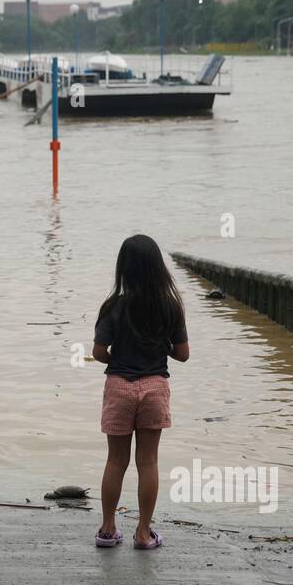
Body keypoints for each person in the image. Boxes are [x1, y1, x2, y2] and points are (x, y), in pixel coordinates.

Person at [91, 234, 189, 550]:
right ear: (158, 268)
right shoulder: (170, 306)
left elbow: (97, 352)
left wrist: (117, 357)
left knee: (116, 460)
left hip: (119, 385)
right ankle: (143, 533)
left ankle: (107, 530)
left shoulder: (112, 306)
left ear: (124, 268)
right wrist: (161, 346)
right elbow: (183, 353)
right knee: (147, 462)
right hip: (154, 386)